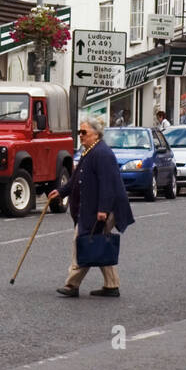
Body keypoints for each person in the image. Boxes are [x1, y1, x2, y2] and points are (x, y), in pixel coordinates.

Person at [48, 117, 135, 298]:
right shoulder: (90, 151)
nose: (80, 136)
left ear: (96, 134)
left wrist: (103, 209)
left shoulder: (102, 153)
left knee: (82, 241)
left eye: (84, 132)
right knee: (98, 242)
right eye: (79, 132)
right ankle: (111, 286)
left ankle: (72, 285)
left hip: (103, 208)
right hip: (91, 207)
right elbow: (76, 179)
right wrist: (61, 192)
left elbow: (107, 184)